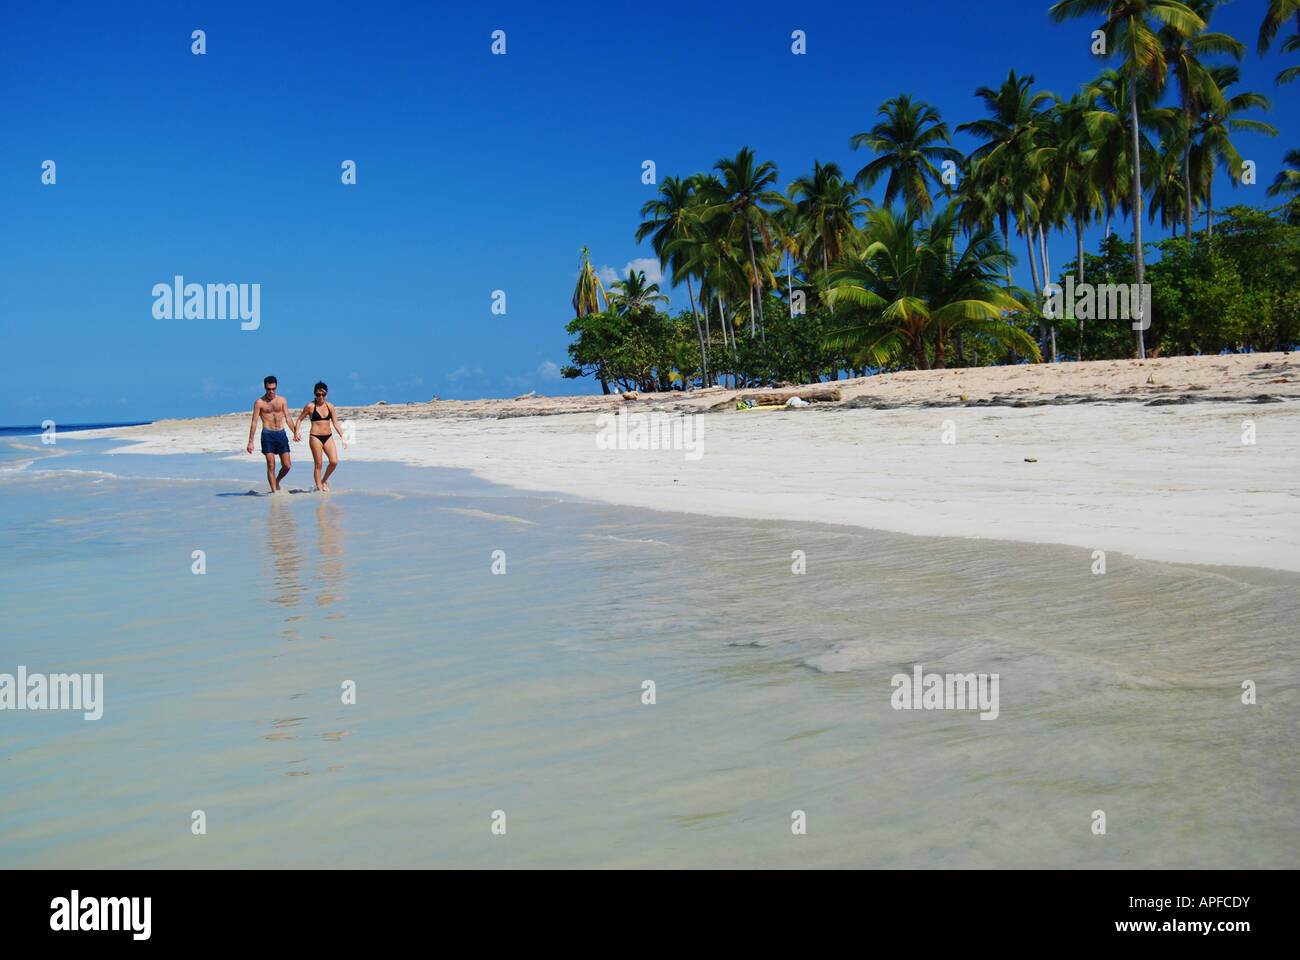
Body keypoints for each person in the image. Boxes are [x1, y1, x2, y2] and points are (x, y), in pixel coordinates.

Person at [292, 381, 347, 491]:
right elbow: (299, 420)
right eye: (318, 395)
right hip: (315, 437)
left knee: (334, 461)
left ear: (326, 394)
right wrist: (296, 432)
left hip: (328, 436)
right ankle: (319, 489)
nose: (321, 397)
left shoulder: (330, 406)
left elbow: (335, 422)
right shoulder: (310, 406)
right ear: (315, 394)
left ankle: (324, 480)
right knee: (318, 463)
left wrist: (342, 436)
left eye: (323, 395)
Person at [247, 375, 292, 492]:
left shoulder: (282, 400)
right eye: (268, 389)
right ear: (265, 388)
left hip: (281, 434)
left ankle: (276, 481)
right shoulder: (259, 402)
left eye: (273, 389)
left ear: (276, 387)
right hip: (268, 435)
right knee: (271, 465)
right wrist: (250, 442)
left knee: (287, 465)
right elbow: (254, 422)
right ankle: (274, 492)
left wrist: (295, 431)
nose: (271, 391)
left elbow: (288, 417)